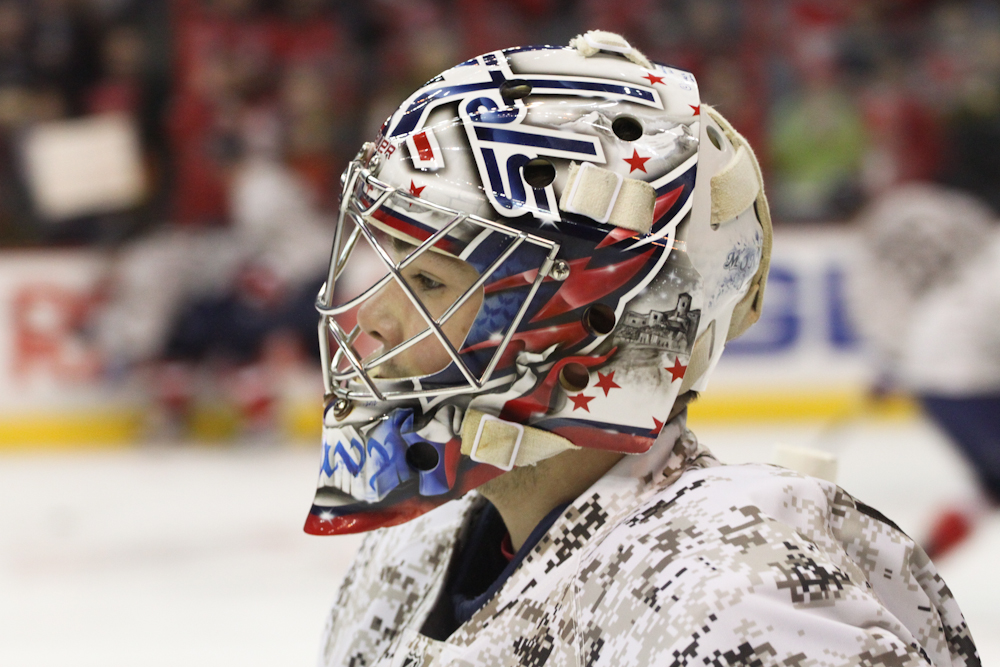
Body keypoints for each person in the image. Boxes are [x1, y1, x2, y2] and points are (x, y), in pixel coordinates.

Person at [306, 32, 979, 666]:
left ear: (590, 325)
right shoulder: (410, 553)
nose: (372, 318)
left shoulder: (737, 591)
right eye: (391, 266)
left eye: (424, 280)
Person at [852, 182, 1000, 560]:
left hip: (941, 379)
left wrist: (890, 365)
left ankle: (914, 571)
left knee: (990, 489)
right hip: (966, 382)